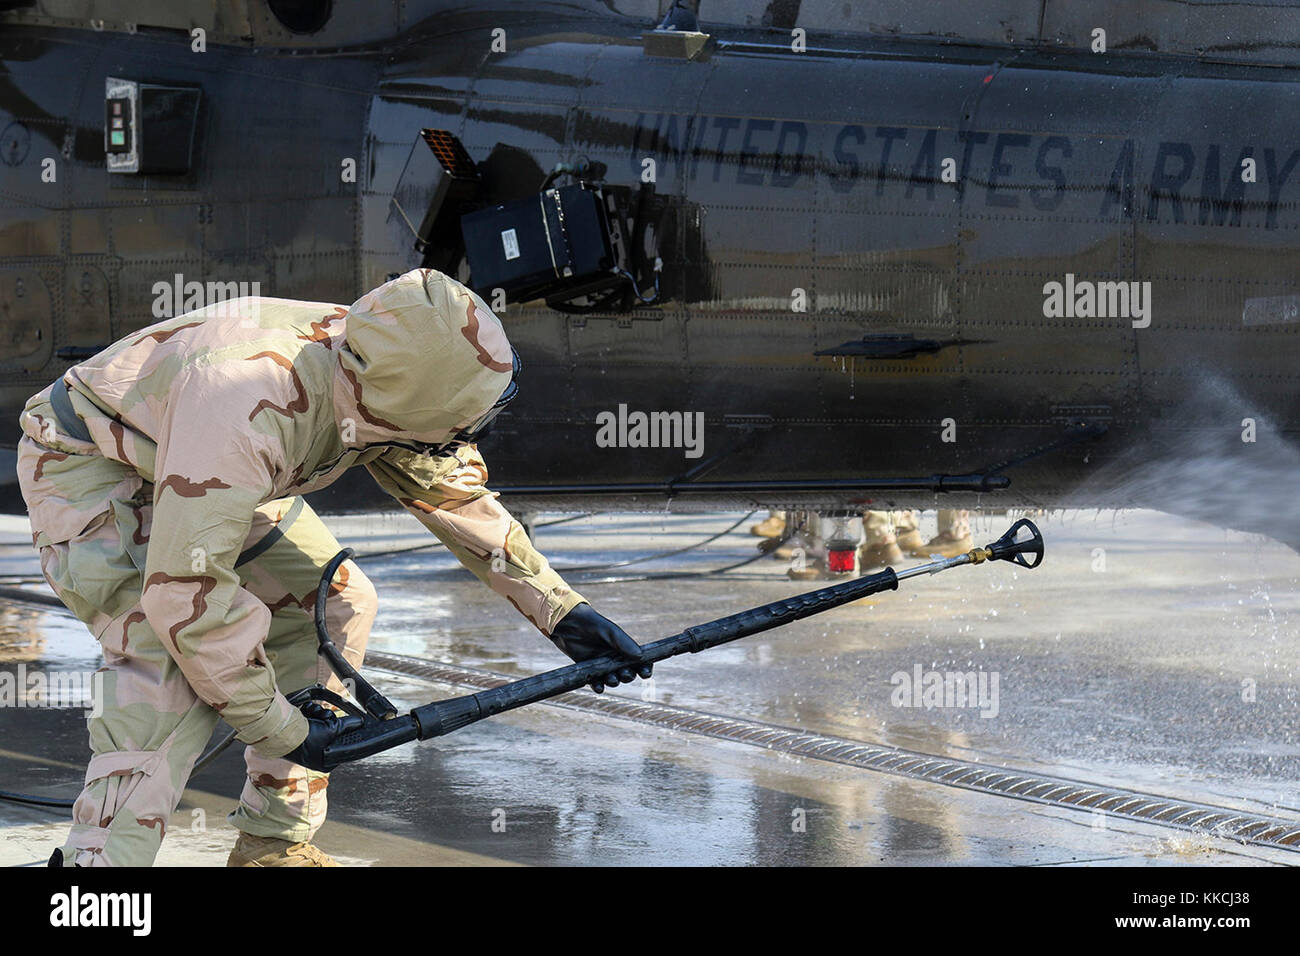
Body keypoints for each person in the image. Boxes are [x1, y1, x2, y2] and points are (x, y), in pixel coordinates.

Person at [16, 268, 649, 867]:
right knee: (167, 664)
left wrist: (563, 613)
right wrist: (281, 728)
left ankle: (273, 845)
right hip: (94, 468)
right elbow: (188, 597)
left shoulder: (379, 371)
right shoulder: (248, 400)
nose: (473, 430)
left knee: (334, 602)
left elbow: (449, 491)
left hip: (200, 470)